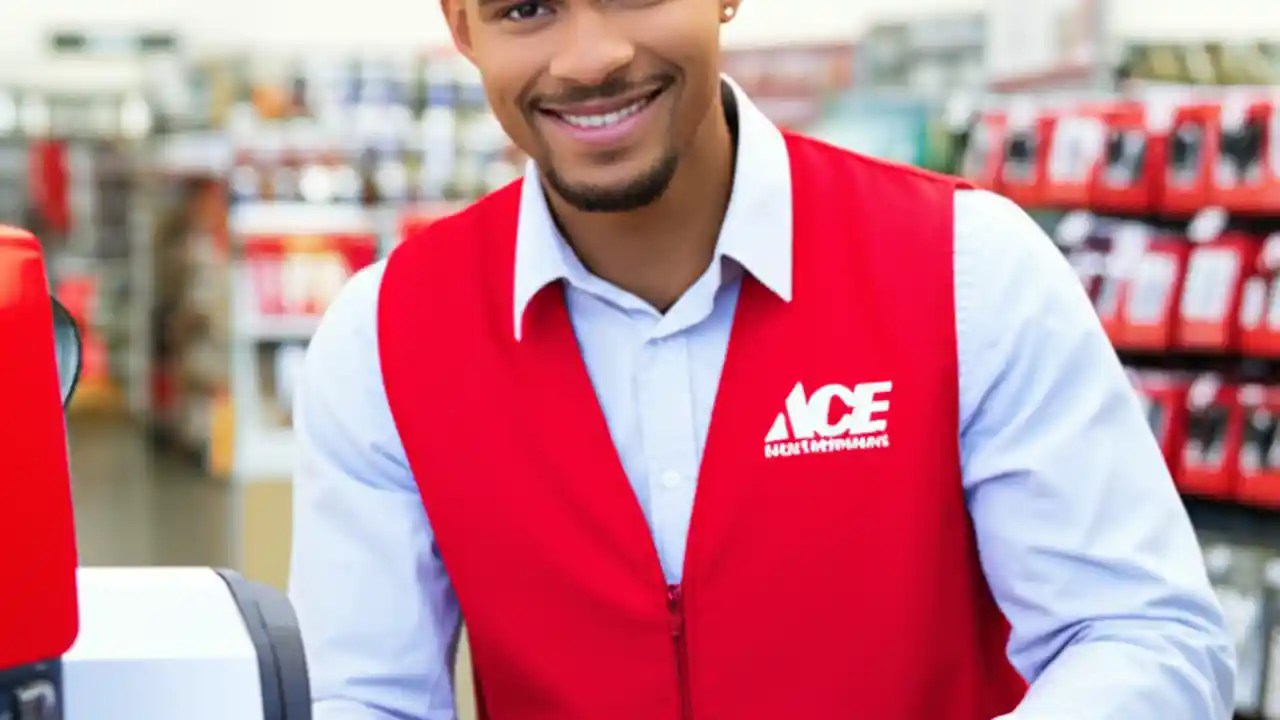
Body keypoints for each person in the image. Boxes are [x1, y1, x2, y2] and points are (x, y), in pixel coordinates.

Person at [287, 1, 1235, 718]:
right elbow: (363, 698)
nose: (590, 58)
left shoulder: (965, 266)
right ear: (461, 27)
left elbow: (1139, 634)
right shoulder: (386, 339)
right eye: (524, 8)